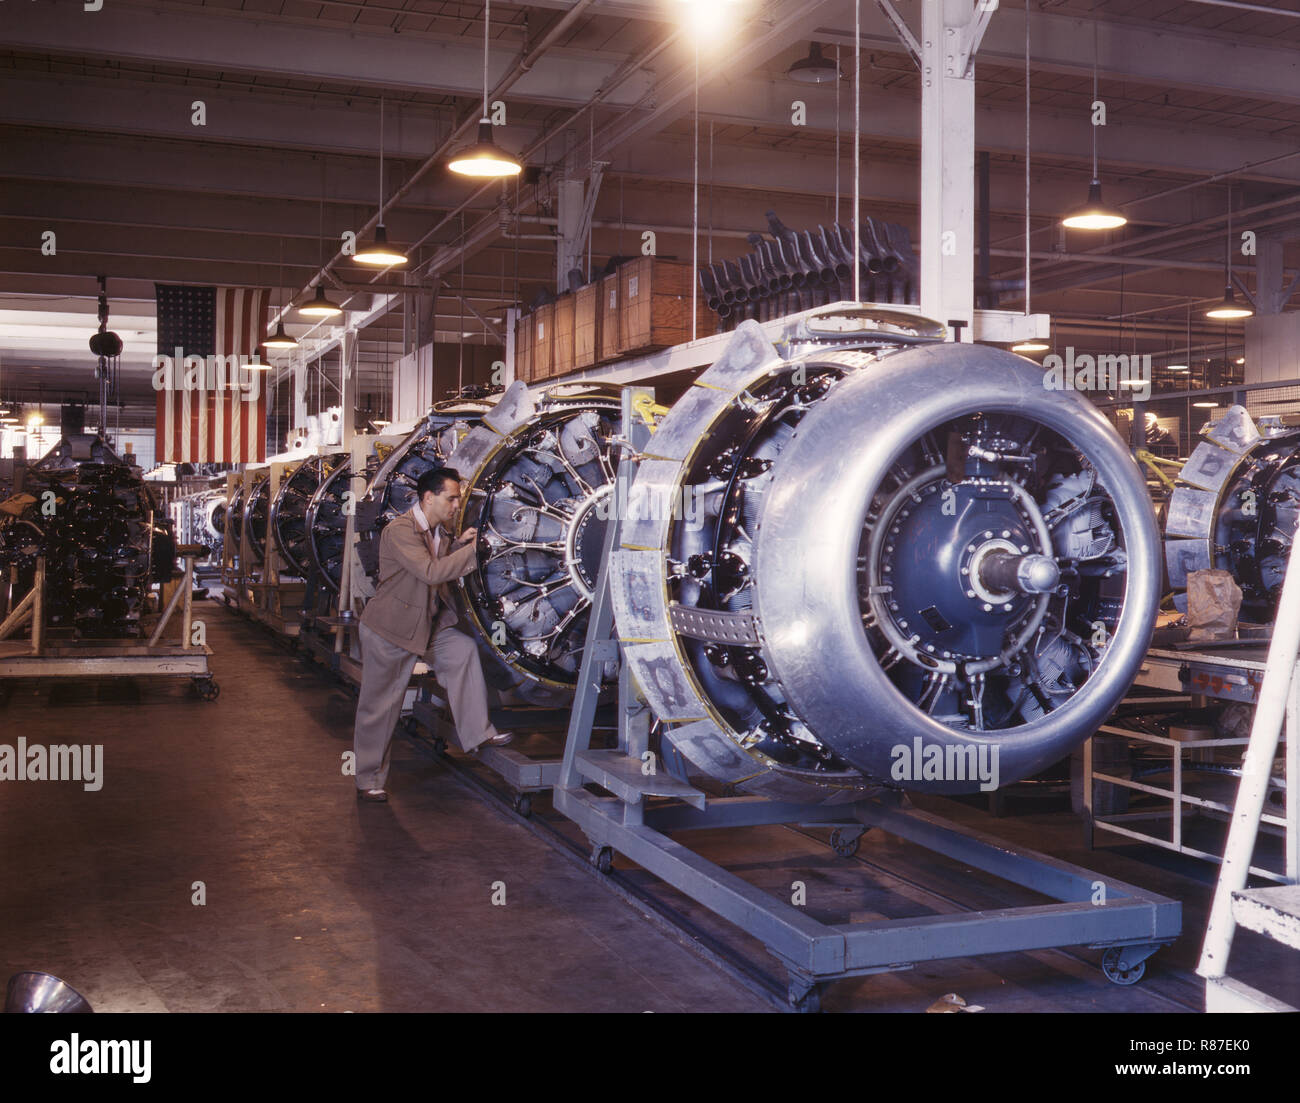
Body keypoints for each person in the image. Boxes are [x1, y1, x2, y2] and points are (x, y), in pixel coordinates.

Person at [352, 466, 510, 802]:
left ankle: (477, 733)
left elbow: (439, 560)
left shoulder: (440, 532)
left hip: (429, 624)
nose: (456, 505)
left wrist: (459, 545)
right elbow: (429, 571)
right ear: (428, 497)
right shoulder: (399, 531)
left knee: (463, 650)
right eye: (451, 498)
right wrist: (475, 551)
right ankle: (368, 779)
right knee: (380, 707)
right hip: (390, 630)